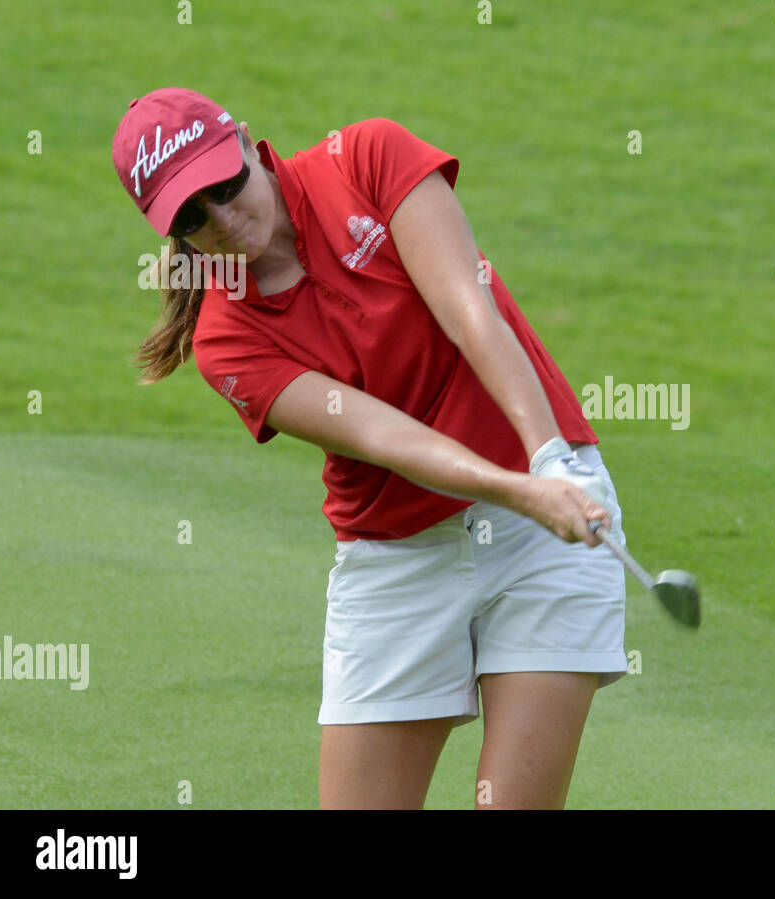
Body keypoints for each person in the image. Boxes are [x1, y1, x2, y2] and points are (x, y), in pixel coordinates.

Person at [111, 88, 629, 809]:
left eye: (225, 188)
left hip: (542, 527)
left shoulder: (366, 157)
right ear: (169, 231)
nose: (224, 222)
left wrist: (548, 461)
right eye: (193, 218)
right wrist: (523, 488)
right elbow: (386, 436)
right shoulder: (226, 339)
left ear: (247, 144)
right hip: (399, 559)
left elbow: (466, 310)